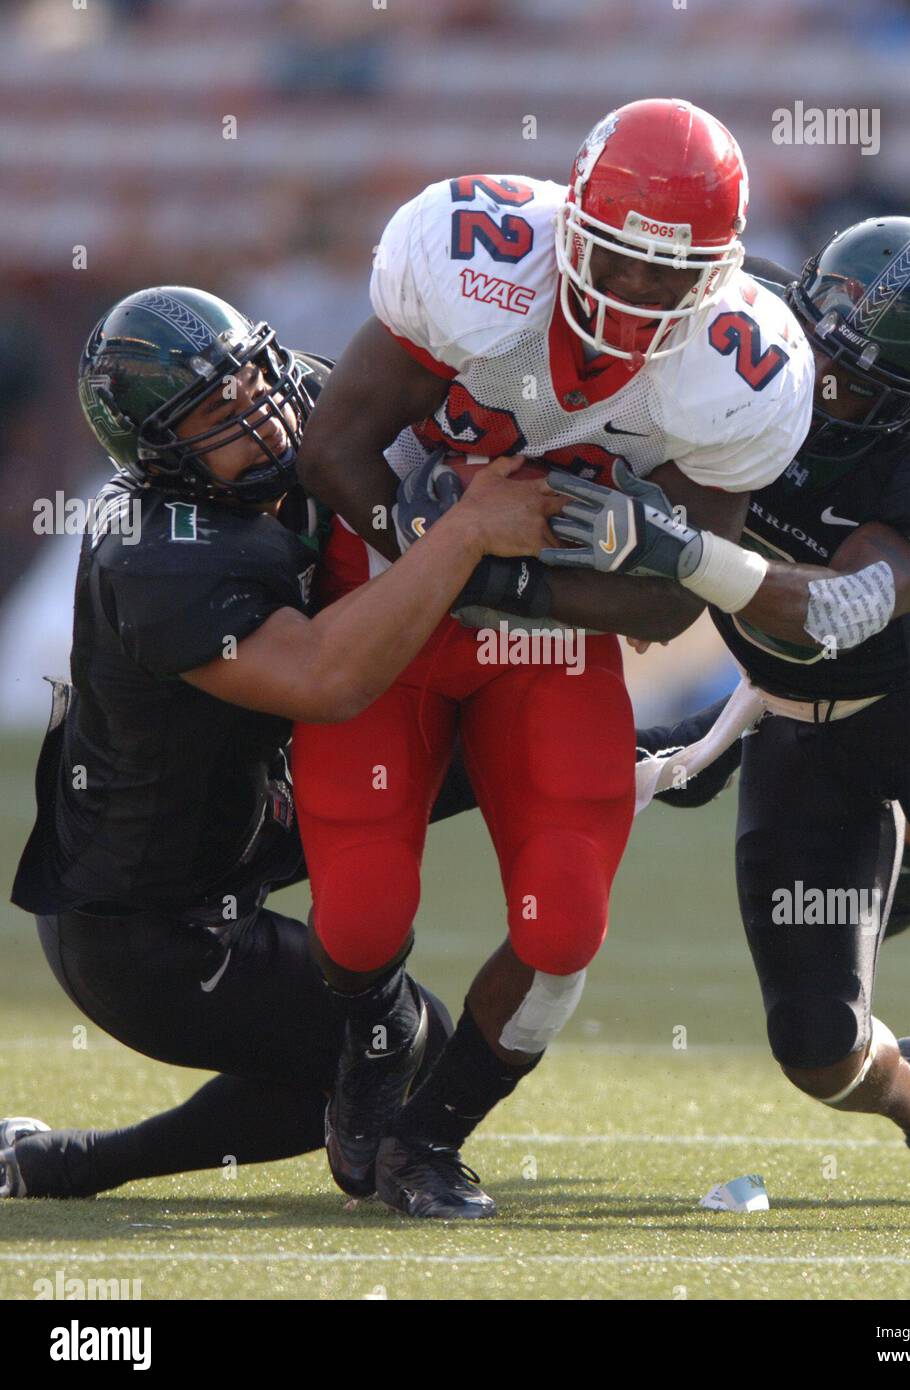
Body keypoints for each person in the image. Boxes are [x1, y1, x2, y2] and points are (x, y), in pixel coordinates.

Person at [292, 97, 815, 1218]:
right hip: (388, 597)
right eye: (620, 263)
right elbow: (334, 447)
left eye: (672, 278)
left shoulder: (742, 367)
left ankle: (428, 1140)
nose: (637, 298)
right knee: (358, 918)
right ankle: (376, 1038)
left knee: (565, 919)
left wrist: (496, 574)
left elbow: (660, 603)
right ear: (572, 224)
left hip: (548, 630)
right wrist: (436, 554)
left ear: (721, 273)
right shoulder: (474, 259)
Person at [3, 285, 562, 1201]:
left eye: (255, 380)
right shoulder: (158, 552)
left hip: (249, 809)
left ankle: (661, 749)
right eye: (217, 414)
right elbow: (328, 681)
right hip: (147, 916)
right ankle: (75, 1165)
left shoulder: (292, 402)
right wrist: (463, 532)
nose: (262, 413)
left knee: (455, 781)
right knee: (394, 1042)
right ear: (162, 455)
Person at [546, 218, 910, 1205]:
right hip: (791, 719)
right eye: (821, 354)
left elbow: (833, 613)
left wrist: (678, 550)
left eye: (859, 384)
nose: (823, 388)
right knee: (818, 1046)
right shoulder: (742, 335)